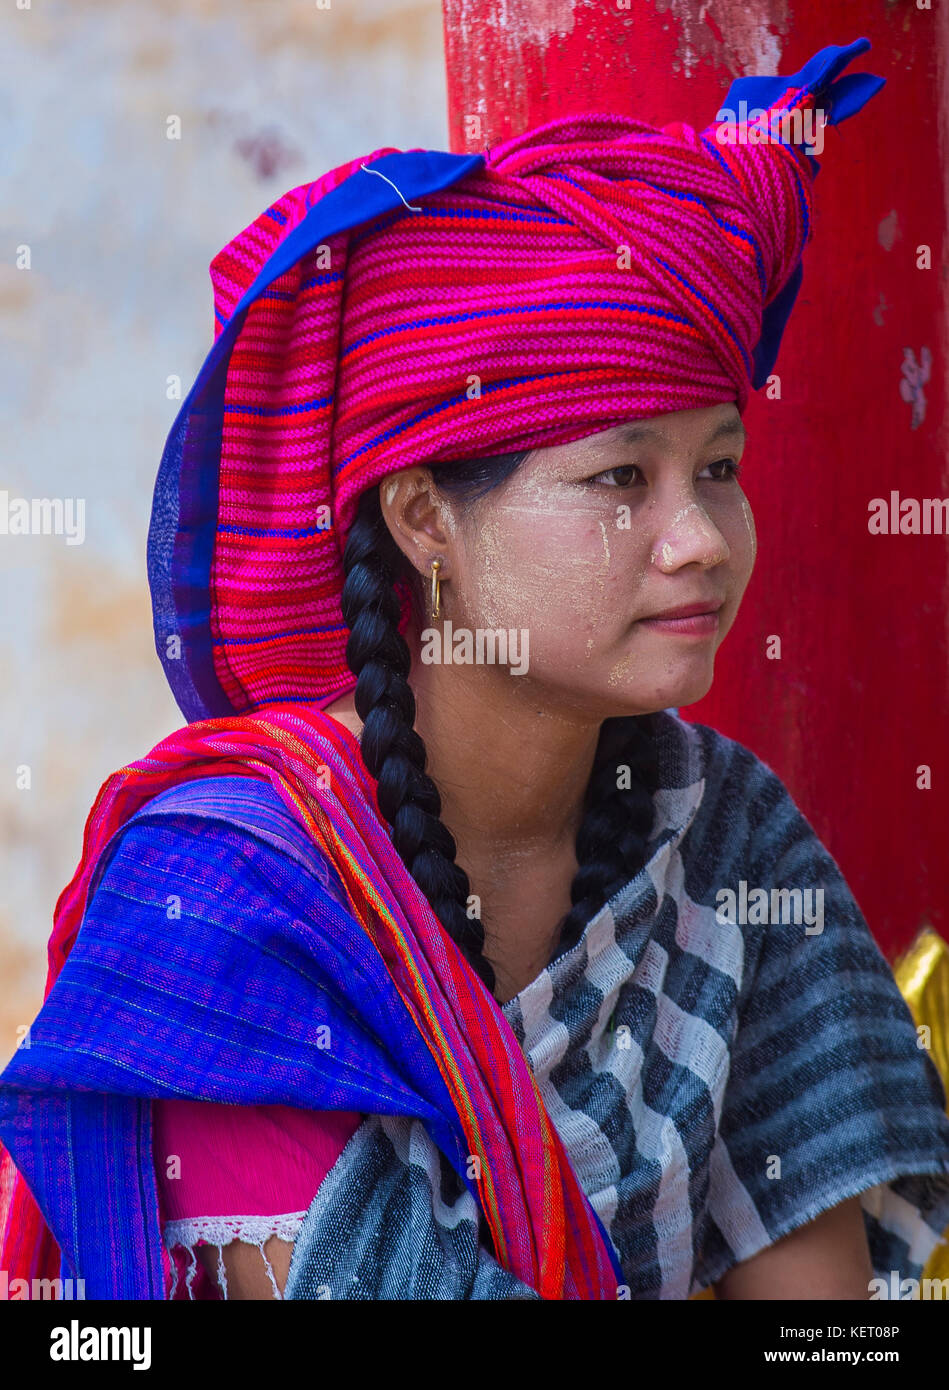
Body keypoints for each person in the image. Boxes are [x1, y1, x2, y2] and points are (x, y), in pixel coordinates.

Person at [2, 37, 948, 1302]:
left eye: (716, 467)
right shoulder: (232, 910)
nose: (702, 539)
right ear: (425, 521)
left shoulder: (726, 843)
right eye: (622, 479)